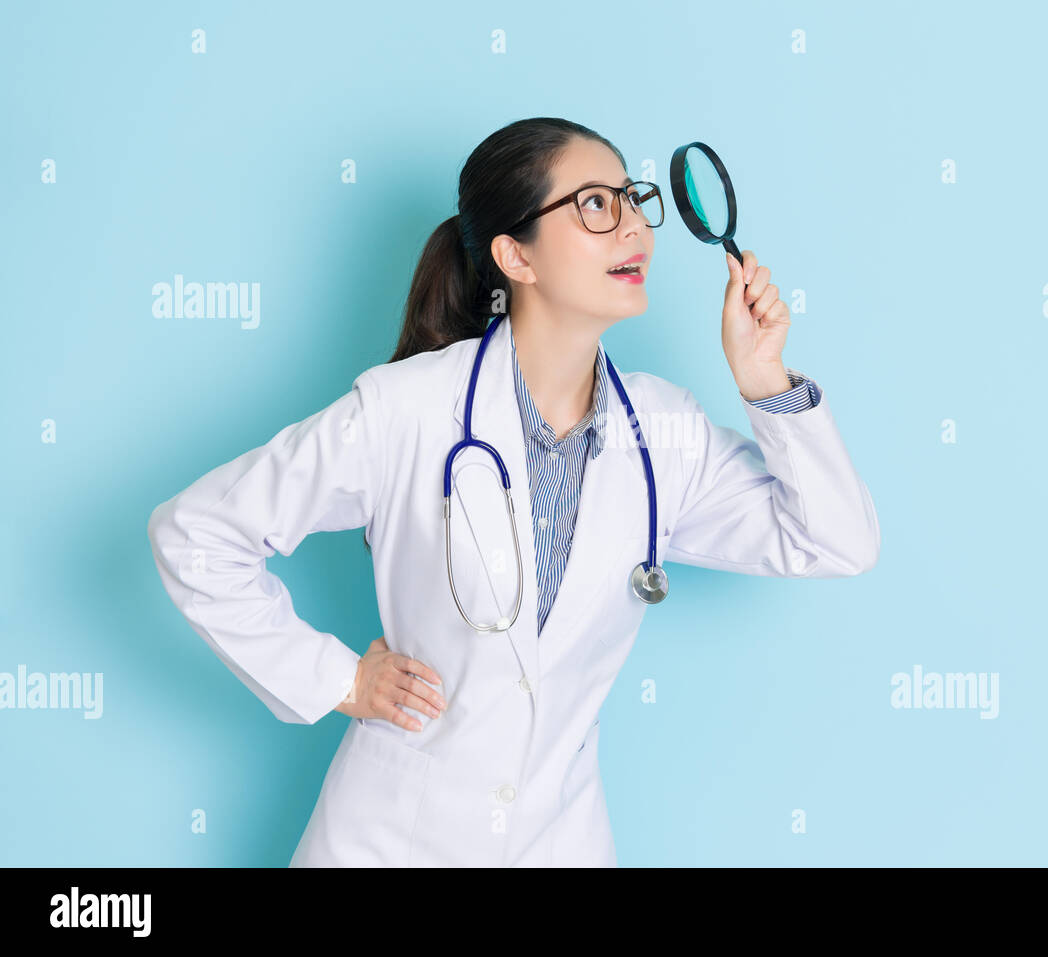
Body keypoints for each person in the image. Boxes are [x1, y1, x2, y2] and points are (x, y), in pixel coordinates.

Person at [146, 116, 881, 867]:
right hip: (387, 843)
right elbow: (195, 534)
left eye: (633, 199)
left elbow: (835, 540)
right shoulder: (406, 409)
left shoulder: (665, 432)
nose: (633, 226)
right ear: (514, 254)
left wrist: (765, 382)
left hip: (557, 843)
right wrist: (340, 679)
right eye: (595, 205)